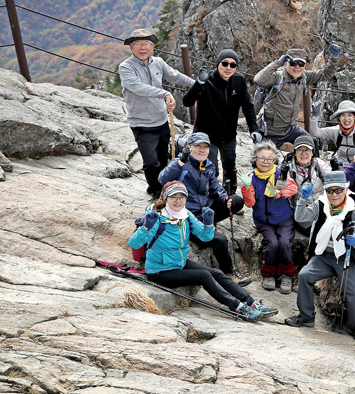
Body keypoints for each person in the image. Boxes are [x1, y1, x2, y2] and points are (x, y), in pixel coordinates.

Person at [128, 181, 276, 321]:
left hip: (179, 263)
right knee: (204, 275)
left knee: (217, 272)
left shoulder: (185, 215)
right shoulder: (156, 217)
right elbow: (134, 243)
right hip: (160, 271)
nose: (178, 201)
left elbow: (206, 237)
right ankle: (237, 307)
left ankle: (251, 303)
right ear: (165, 198)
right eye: (174, 197)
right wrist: (146, 227)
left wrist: (208, 223)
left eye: (182, 197)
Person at [286, 171, 355, 342]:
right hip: (323, 255)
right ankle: (306, 317)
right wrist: (302, 200)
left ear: (346, 189)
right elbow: (301, 218)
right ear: (325, 191)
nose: (334, 194)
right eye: (330, 190)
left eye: (338, 190)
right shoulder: (320, 204)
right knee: (304, 276)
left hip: (348, 257)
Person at [158, 132, 250, 286]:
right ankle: (229, 272)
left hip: (205, 211)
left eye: (205, 147)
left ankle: (208, 224)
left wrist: (225, 198)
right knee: (220, 239)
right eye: (197, 146)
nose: (202, 150)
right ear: (189, 147)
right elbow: (162, 179)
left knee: (236, 201)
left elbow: (215, 187)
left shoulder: (208, 165)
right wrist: (180, 162)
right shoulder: (180, 163)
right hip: (186, 215)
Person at [118, 29, 194, 198]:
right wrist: (164, 94)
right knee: (151, 161)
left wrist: (197, 85)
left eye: (146, 43)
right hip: (141, 123)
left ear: (152, 46)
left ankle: (164, 186)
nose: (142, 47)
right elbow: (138, 87)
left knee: (163, 157)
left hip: (161, 120)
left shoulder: (158, 62)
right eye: (138, 44)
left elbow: (174, 76)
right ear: (131, 47)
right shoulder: (126, 67)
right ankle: (154, 189)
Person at [181, 48, 262, 186]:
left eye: (233, 65)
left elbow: (248, 106)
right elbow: (187, 102)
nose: (228, 68)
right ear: (218, 64)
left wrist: (254, 129)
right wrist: (199, 83)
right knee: (210, 170)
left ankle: (228, 199)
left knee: (230, 169)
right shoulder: (208, 80)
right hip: (206, 136)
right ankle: (209, 199)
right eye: (225, 63)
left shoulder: (239, 80)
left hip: (228, 135)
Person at [238, 141, 299, 294]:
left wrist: (278, 193)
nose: (265, 162)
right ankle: (269, 274)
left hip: (284, 218)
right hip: (263, 221)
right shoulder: (251, 177)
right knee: (272, 243)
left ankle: (287, 274)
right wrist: (246, 187)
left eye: (269, 159)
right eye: (261, 158)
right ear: (255, 159)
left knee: (284, 242)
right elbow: (250, 203)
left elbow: (293, 188)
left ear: (275, 161)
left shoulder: (280, 174)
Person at [253, 45, 341, 150]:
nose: (297, 67)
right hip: (271, 132)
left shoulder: (304, 77)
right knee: (269, 161)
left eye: (301, 64)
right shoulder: (277, 77)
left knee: (311, 143)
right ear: (286, 63)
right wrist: (277, 63)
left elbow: (325, 74)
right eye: (293, 63)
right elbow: (259, 80)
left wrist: (334, 58)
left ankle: (314, 165)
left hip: (290, 129)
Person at [309, 99, 355, 169]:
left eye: (349, 115)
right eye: (343, 115)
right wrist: (314, 116)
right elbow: (315, 132)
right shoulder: (335, 130)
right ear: (339, 117)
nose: (346, 119)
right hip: (340, 167)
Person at [280, 135, 331, 220]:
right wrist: (283, 177)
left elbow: (333, 181)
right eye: (300, 150)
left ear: (312, 153)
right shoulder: (289, 167)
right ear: (295, 153)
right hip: (301, 212)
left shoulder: (319, 164)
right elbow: (280, 190)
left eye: (307, 150)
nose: (304, 153)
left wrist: (336, 169)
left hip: (321, 208)